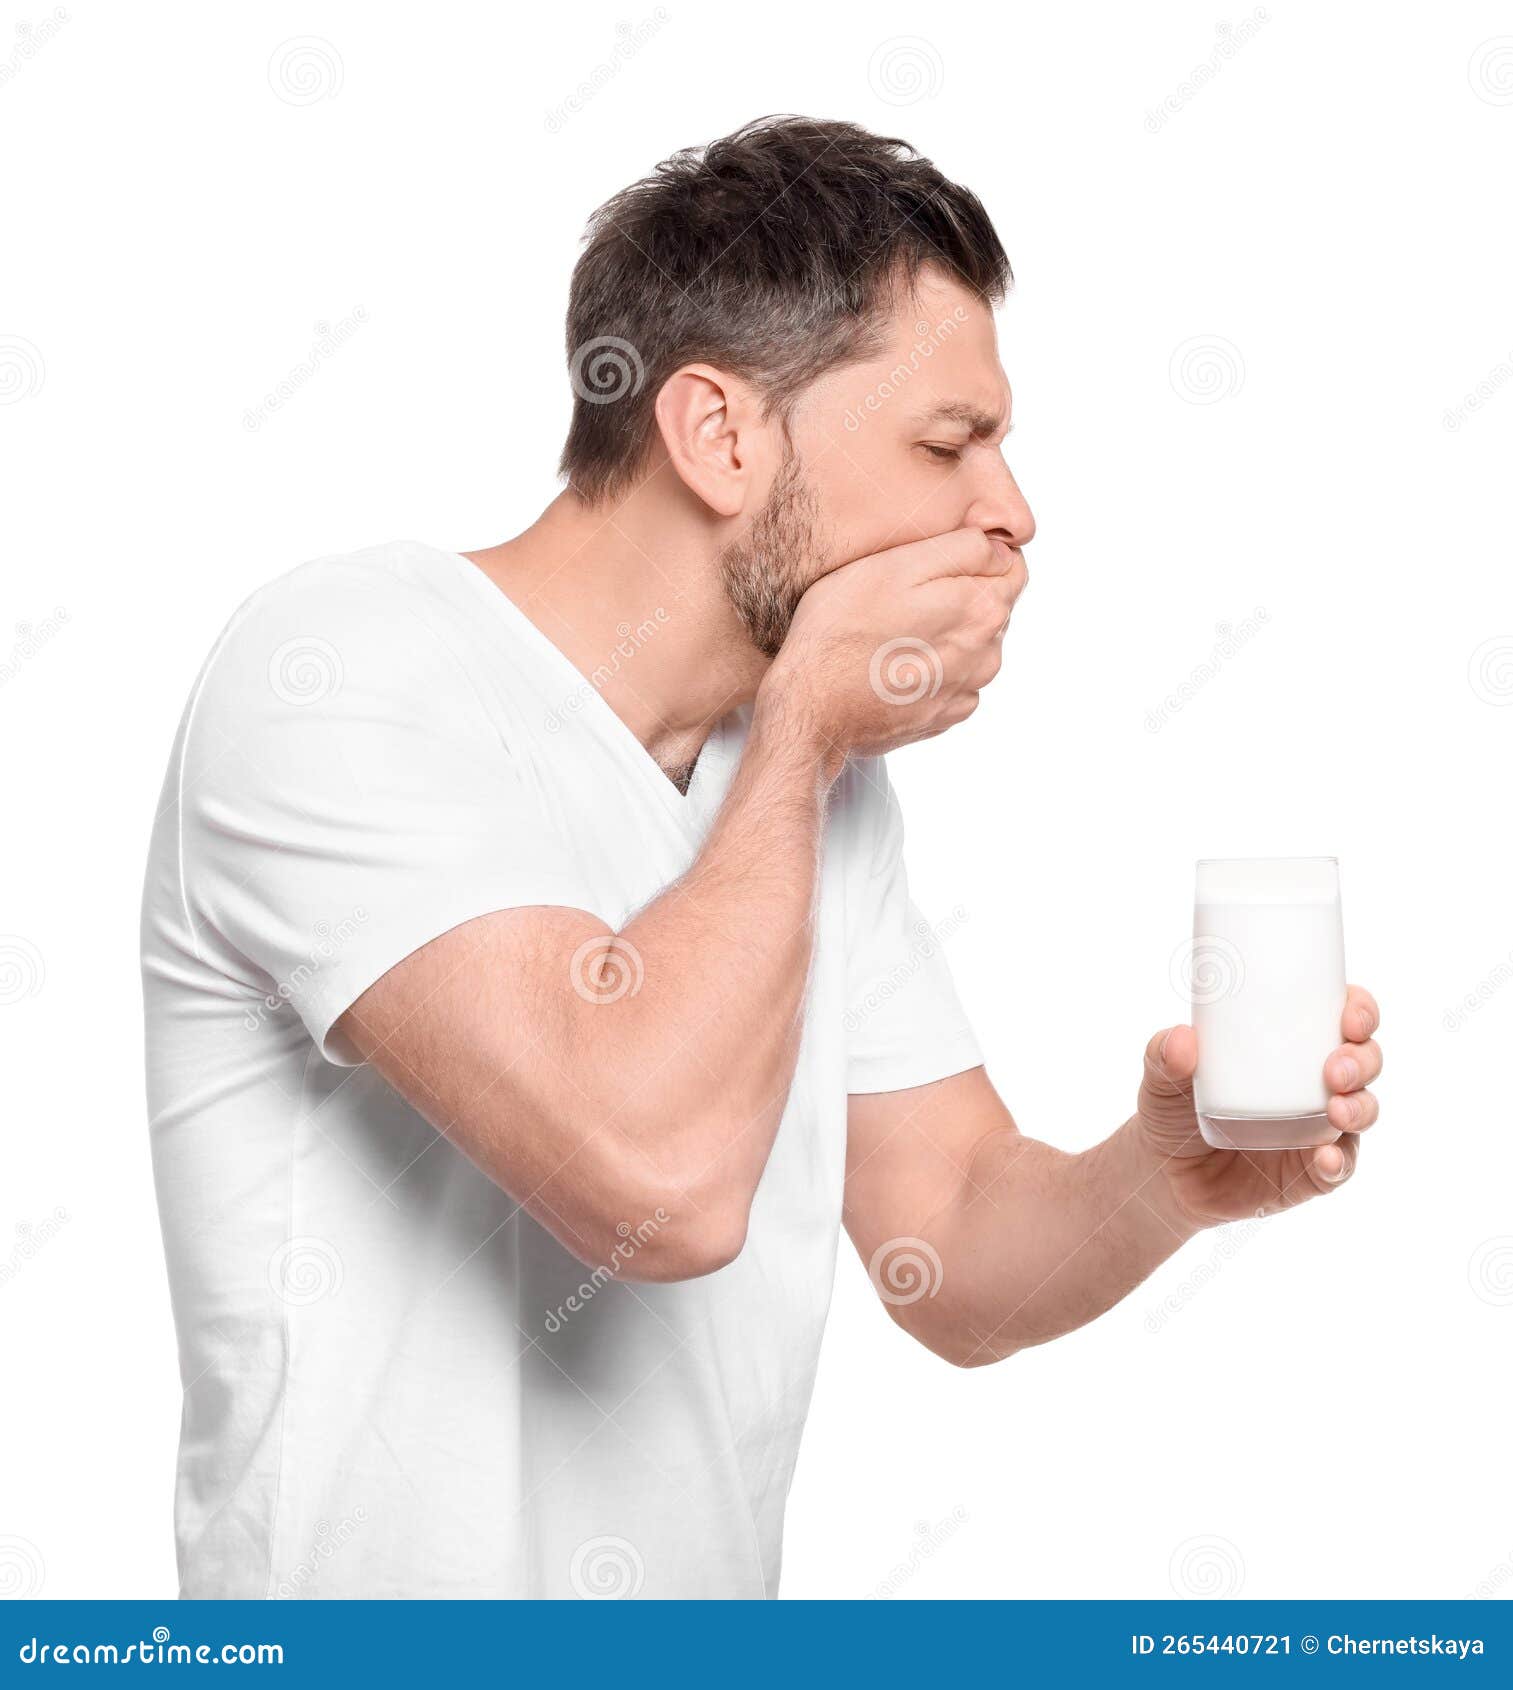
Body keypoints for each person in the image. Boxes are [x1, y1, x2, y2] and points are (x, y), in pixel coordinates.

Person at [141, 115, 1382, 1600]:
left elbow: (956, 1247)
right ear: (718, 434)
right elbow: (652, 1187)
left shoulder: (797, 779)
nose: (1011, 510)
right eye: (948, 443)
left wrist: (1166, 1177)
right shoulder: (346, 667)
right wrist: (802, 731)